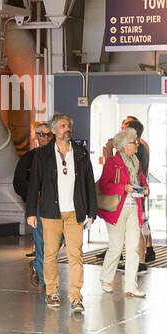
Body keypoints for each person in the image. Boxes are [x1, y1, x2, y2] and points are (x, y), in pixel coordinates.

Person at [24, 112, 97, 313]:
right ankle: (52, 291)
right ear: (54, 130)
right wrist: (31, 211)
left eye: (68, 126)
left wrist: (92, 210)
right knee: (50, 254)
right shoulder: (42, 155)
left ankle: (76, 296)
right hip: (50, 212)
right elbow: (33, 186)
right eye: (63, 126)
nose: (67, 129)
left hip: (75, 213)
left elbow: (88, 183)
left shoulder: (80, 153)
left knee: (76, 255)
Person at [97, 127, 148, 298]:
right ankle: (106, 278)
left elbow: (142, 180)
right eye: (135, 142)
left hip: (134, 207)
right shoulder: (112, 162)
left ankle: (131, 286)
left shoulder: (136, 162)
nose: (137, 145)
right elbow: (104, 185)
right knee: (117, 246)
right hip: (116, 209)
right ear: (125, 145)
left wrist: (146, 188)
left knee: (133, 247)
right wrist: (122, 188)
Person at [13, 121, 53, 287]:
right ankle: (45, 281)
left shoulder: (60, 156)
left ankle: (38, 264)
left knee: (58, 241)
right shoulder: (29, 158)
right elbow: (18, 183)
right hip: (37, 206)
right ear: (36, 137)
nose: (43, 137)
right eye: (40, 134)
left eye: (47, 134)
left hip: (57, 205)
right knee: (41, 242)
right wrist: (33, 193)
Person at [120, 115, 153, 269]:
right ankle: (139, 260)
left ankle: (139, 261)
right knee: (137, 224)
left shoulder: (135, 150)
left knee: (135, 225)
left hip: (133, 190)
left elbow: (129, 173)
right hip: (138, 190)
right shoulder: (143, 147)